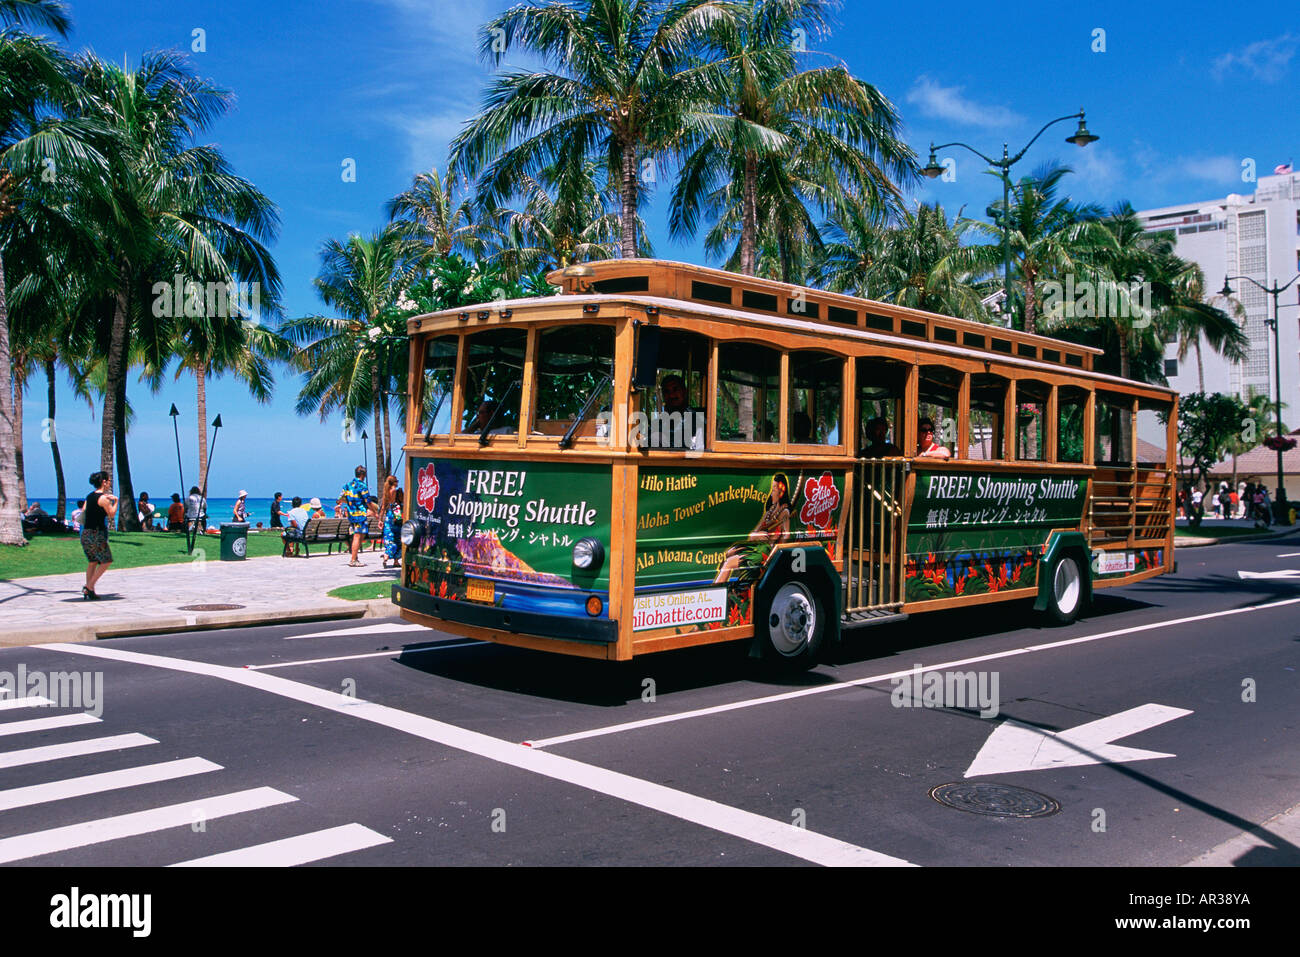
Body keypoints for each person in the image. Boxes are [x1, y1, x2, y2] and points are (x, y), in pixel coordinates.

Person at [714, 473, 792, 584]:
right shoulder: (769, 512)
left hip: (766, 551)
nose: (771, 493)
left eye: (774, 490)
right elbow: (753, 534)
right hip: (757, 546)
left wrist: (776, 553)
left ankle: (717, 589)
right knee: (729, 553)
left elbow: (786, 535)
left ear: (781, 492)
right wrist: (758, 535)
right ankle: (728, 586)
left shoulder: (784, 512)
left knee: (729, 563)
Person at [80, 471, 117, 600]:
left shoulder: (89, 496)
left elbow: (84, 511)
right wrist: (116, 501)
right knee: (106, 560)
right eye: (109, 480)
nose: (110, 483)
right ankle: (89, 586)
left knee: (93, 562)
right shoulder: (103, 499)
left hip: (86, 533)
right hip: (97, 533)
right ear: (104, 482)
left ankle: (90, 591)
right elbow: (111, 514)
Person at [657, 373, 704, 450]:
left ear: (684, 392)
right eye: (666, 391)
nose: (671, 395)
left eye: (675, 389)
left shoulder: (698, 420)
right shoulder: (660, 423)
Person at [341, 465, 370, 566]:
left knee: (359, 535)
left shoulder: (347, 485)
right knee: (358, 536)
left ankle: (355, 556)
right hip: (360, 515)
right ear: (363, 474)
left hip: (351, 515)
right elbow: (368, 501)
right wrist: (375, 511)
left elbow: (340, 499)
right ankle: (353, 559)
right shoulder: (362, 486)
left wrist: (349, 503)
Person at [382, 487, 404, 569]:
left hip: (391, 529)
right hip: (393, 529)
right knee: (395, 544)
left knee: (394, 544)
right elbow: (398, 518)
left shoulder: (392, 505)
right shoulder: (397, 506)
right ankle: (387, 557)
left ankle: (394, 560)